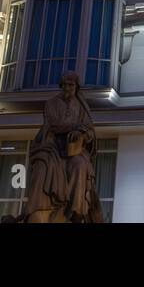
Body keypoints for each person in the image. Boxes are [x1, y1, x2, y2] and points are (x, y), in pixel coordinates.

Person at [25, 71, 100, 222]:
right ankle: (37, 207)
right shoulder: (51, 103)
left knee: (79, 165)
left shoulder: (81, 106)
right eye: (65, 85)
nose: (67, 88)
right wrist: (75, 127)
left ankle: (75, 210)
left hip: (74, 150)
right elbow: (52, 125)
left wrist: (81, 134)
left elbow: (89, 130)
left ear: (76, 87)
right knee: (41, 166)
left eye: (71, 85)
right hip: (52, 146)